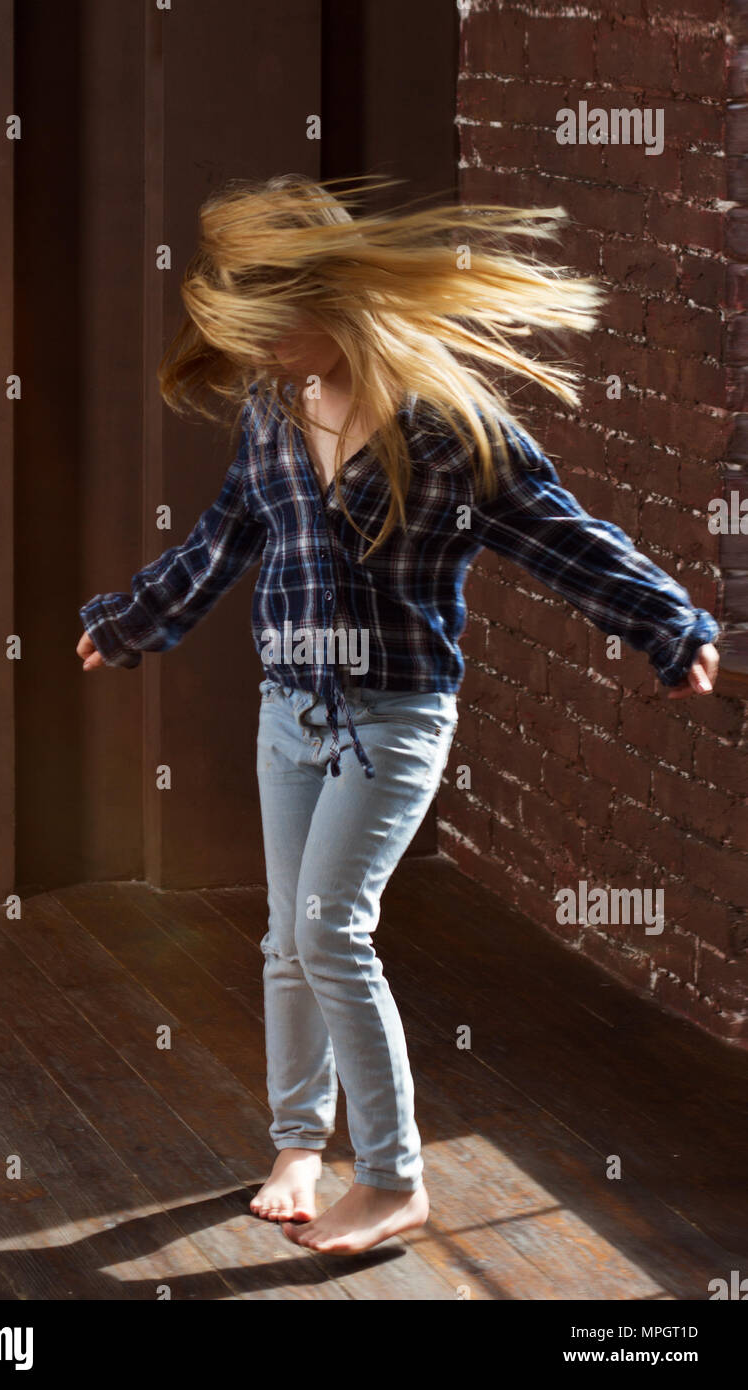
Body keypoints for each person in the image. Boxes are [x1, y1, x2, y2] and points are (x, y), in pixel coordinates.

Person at [76, 174, 720, 1256]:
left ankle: (390, 1177)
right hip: (290, 710)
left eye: (273, 331)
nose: (260, 354)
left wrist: (665, 620)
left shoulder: (446, 428)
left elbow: (560, 533)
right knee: (288, 939)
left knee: (331, 926)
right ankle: (296, 1144)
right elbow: (224, 536)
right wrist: (138, 618)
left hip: (393, 716)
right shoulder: (273, 413)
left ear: (331, 304)